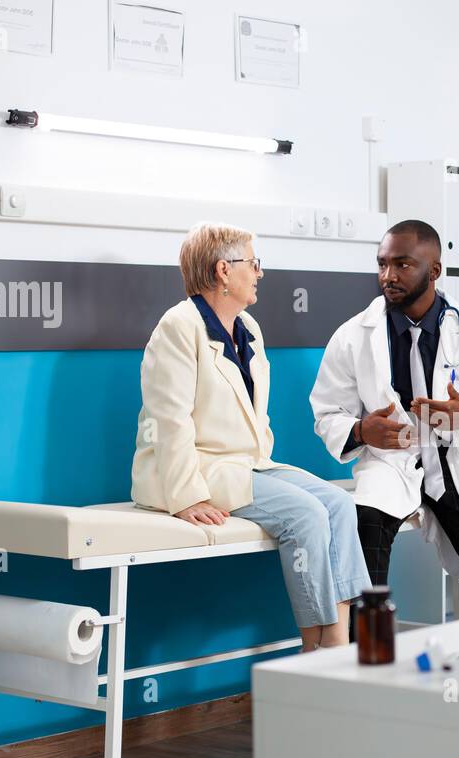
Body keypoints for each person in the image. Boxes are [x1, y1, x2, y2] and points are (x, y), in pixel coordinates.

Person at [131, 222, 369, 651]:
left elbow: (252, 415)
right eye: (253, 263)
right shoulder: (179, 327)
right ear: (224, 270)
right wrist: (188, 497)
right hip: (202, 468)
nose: (259, 272)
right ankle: (316, 650)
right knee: (306, 515)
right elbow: (171, 421)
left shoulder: (249, 329)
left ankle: (336, 642)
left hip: (247, 463)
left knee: (338, 504)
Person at [310, 219, 459, 611]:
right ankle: (365, 665)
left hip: (456, 466)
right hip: (391, 462)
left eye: (402, 265)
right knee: (365, 566)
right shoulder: (353, 336)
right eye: (382, 264)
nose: (388, 276)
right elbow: (327, 413)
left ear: (435, 270)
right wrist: (361, 431)